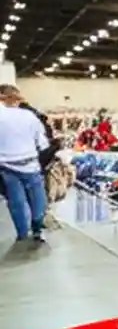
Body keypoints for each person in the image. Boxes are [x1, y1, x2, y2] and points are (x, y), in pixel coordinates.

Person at [0, 84, 51, 242]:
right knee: (38, 201)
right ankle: (37, 227)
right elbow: (43, 144)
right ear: (17, 99)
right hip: (30, 164)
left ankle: (22, 234)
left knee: (16, 202)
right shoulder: (29, 116)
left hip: (6, 167)